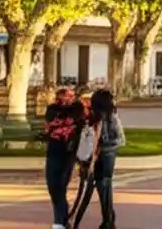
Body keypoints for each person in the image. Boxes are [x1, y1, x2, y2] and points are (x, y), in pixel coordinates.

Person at [43, 87, 87, 229]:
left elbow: (70, 121)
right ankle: (63, 218)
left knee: (61, 186)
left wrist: (61, 123)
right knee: (52, 186)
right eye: (63, 96)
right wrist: (64, 122)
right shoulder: (52, 109)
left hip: (68, 152)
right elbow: (52, 121)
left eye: (69, 96)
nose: (67, 98)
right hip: (53, 150)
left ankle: (59, 222)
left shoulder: (78, 108)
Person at [84, 89, 127, 229]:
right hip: (96, 156)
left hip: (107, 155)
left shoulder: (111, 117)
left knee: (104, 184)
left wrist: (104, 145)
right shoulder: (93, 117)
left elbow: (120, 139)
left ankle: (108, 219)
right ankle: (108, 218)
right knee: (101, 186)